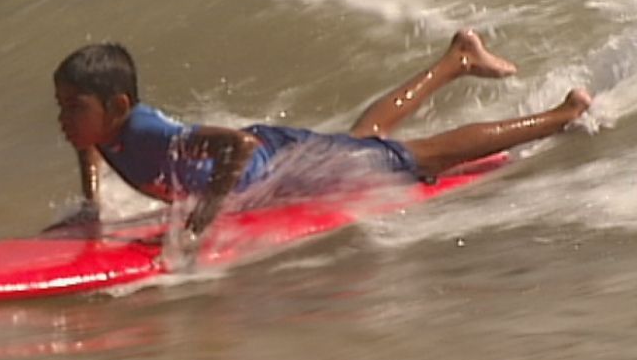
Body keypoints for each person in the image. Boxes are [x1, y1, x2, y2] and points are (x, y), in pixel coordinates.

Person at [51, 29, 592, 248]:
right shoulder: (98, 130)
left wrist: (208, 211)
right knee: (367, 140)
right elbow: (87, 148)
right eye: (62, 107)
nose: (66, 120)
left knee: (415, 157)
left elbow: (235, 147)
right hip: (279, 161)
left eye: (74, 108)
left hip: (279, 166)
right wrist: (90, 207)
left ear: (119, 106)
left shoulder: (143, 131)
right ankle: (458, 58)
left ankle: (561, 113)